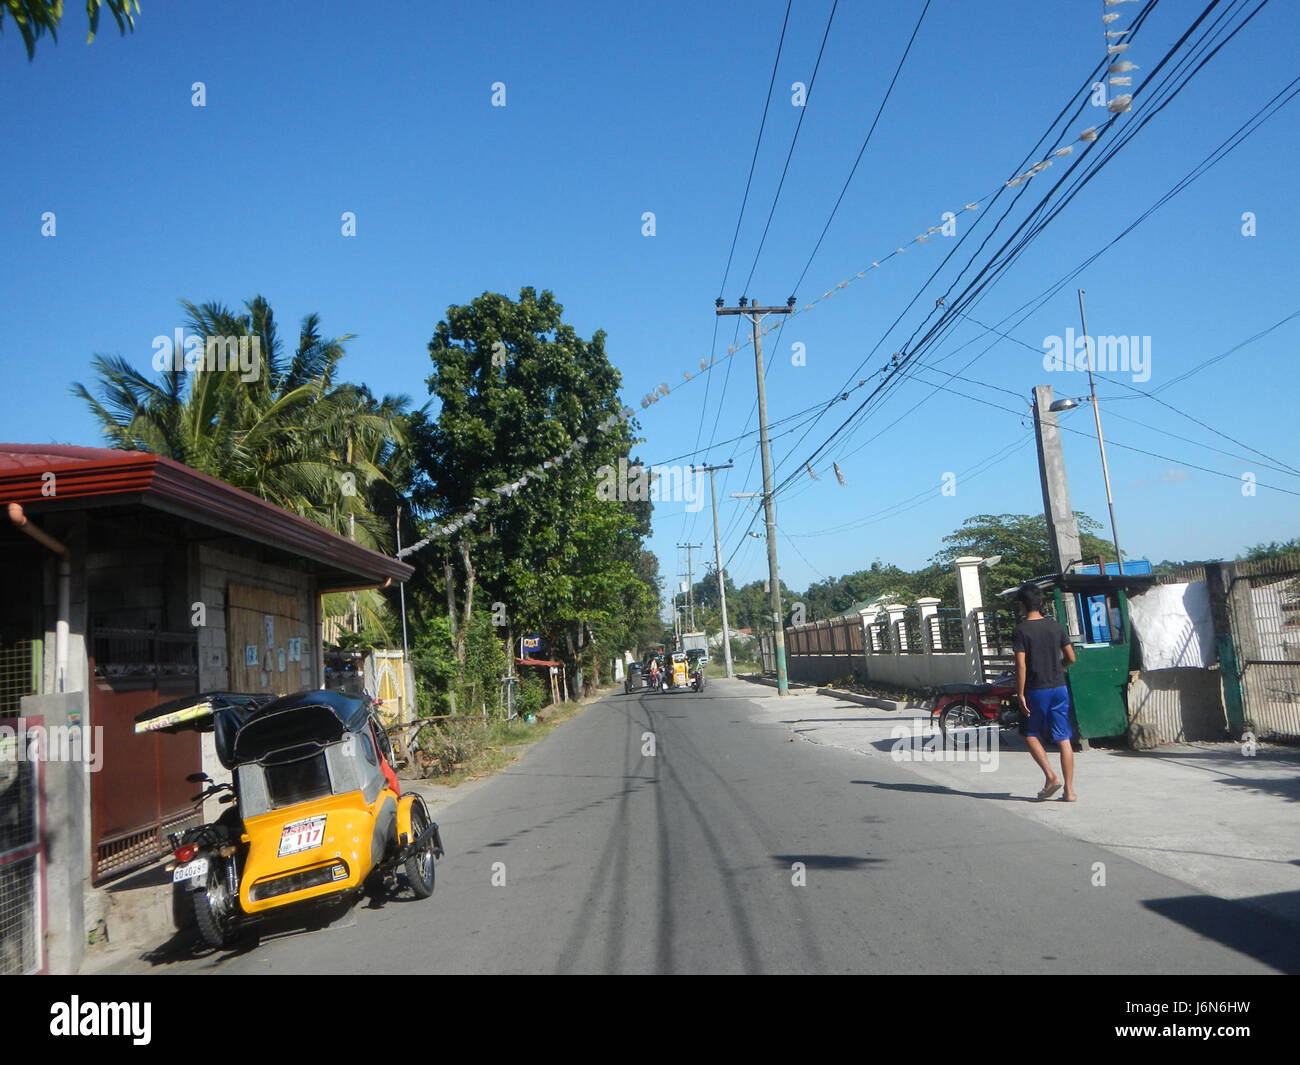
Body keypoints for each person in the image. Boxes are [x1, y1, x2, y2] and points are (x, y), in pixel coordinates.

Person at [1012, 583, 1077, 802]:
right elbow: (1071, 657)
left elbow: (1021, 665)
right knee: (1064, 737)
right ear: (1040, 603)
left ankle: (1051, 777)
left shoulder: (1021, 630)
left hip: (1035, 689)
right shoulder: (1055, 627)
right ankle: (1069, 791)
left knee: (1029, 734)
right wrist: (1059, 670)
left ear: (1022, 604)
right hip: (1059, 687)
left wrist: (1020, 693)